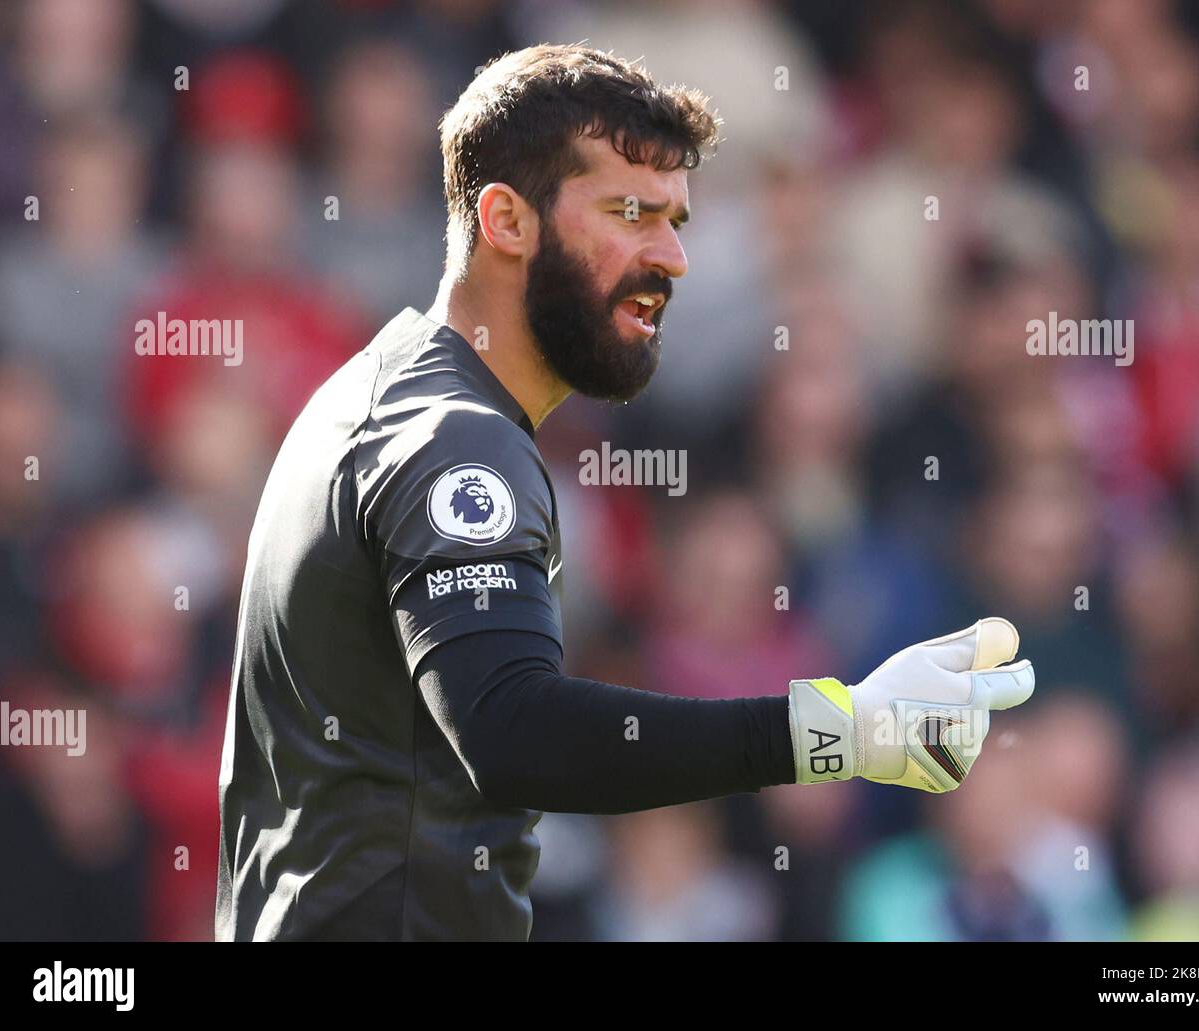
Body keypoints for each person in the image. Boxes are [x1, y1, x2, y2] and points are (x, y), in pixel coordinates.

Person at [215, 43, 1035, 942]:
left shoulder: (381, 395)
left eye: (676, 220)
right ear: (506, 220)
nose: (673, 258)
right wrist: (843, 726)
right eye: (631, 213)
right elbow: (515, 731)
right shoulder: (457, 441)